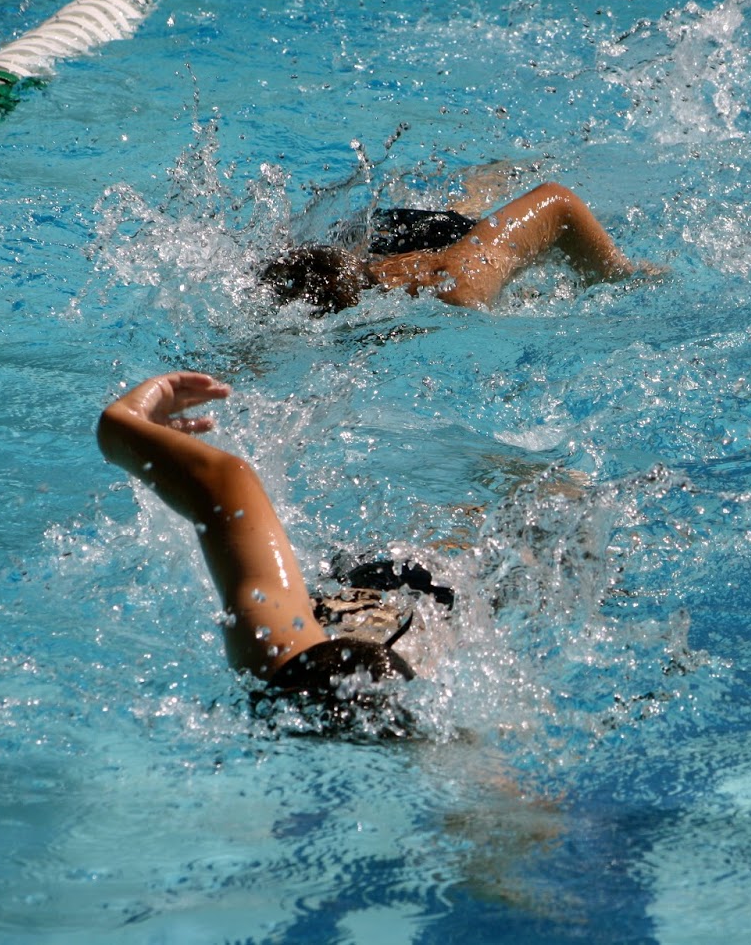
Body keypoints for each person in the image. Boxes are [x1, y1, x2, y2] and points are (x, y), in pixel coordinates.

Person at [97, 371, 423, 729]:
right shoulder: (438, 734)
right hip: (400, 596)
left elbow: (225, 482)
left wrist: (129, 418)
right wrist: (123, 424)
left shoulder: (281, 668)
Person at [259, 181, 640, 313]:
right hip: (363, 244)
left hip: (440, 245)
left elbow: (558, 202)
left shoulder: (456, 285)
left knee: (468, 216)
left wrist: (612, 272)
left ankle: (493, 177)